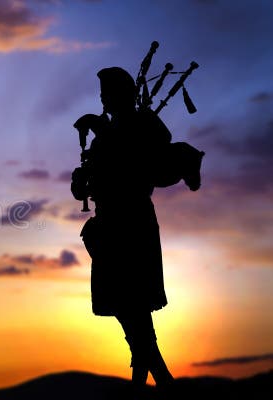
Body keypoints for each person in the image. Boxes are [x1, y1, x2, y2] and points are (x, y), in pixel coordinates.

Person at [71, 66, 176, 389]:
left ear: (124, 94)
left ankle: (152, 380)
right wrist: (81, 183)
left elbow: (149, 156)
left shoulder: (143, 124)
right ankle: (156, 379)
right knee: (127, 309)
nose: (104, 99)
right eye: (102, 94)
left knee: (133, 307)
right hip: (108, 226)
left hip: (132, 223)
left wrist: (105, 133)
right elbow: (90, 185)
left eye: (108, 93)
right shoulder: (111, 131)